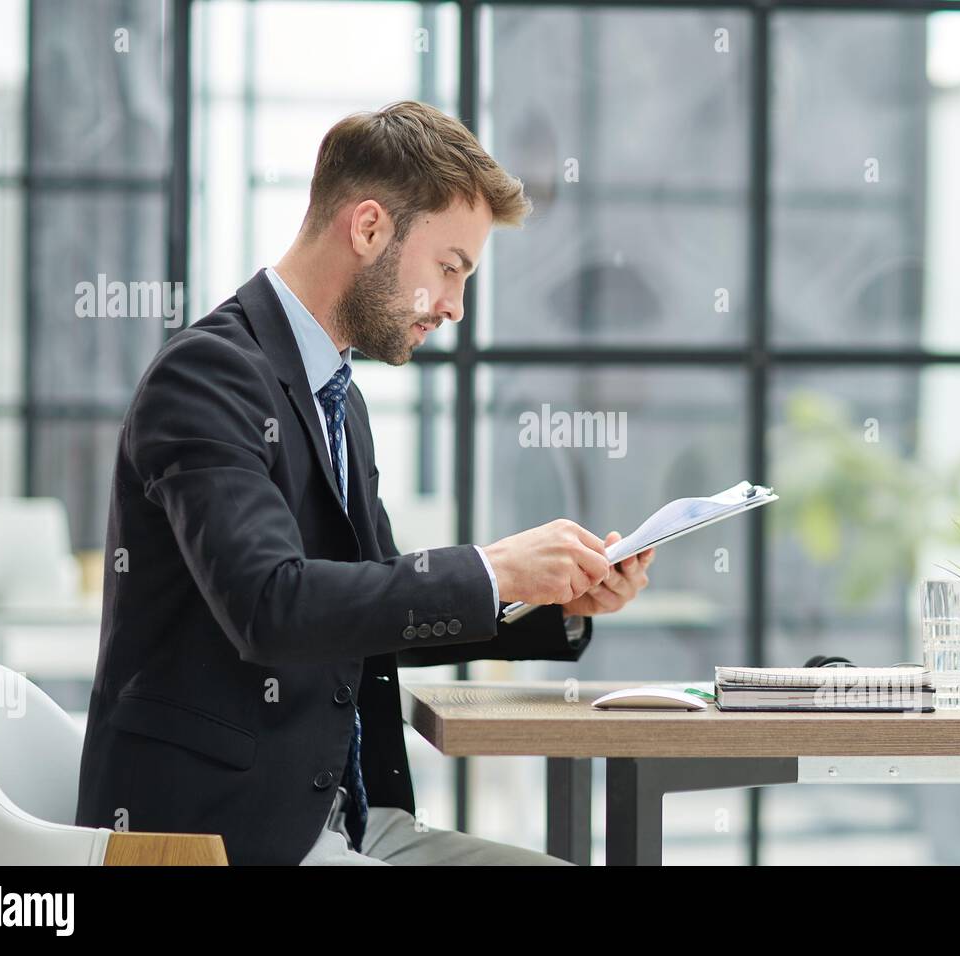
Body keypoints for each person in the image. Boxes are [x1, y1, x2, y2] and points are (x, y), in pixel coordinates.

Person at [75, 101, 654, 865]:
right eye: (450, 267)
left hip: (343, 823)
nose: (453, 306)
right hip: (227, 836)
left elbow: (375, 606)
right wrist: (490, 568)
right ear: (370, 227)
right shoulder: (208, 375)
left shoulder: (334, 398)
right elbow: (271, 607)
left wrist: (548, 597)